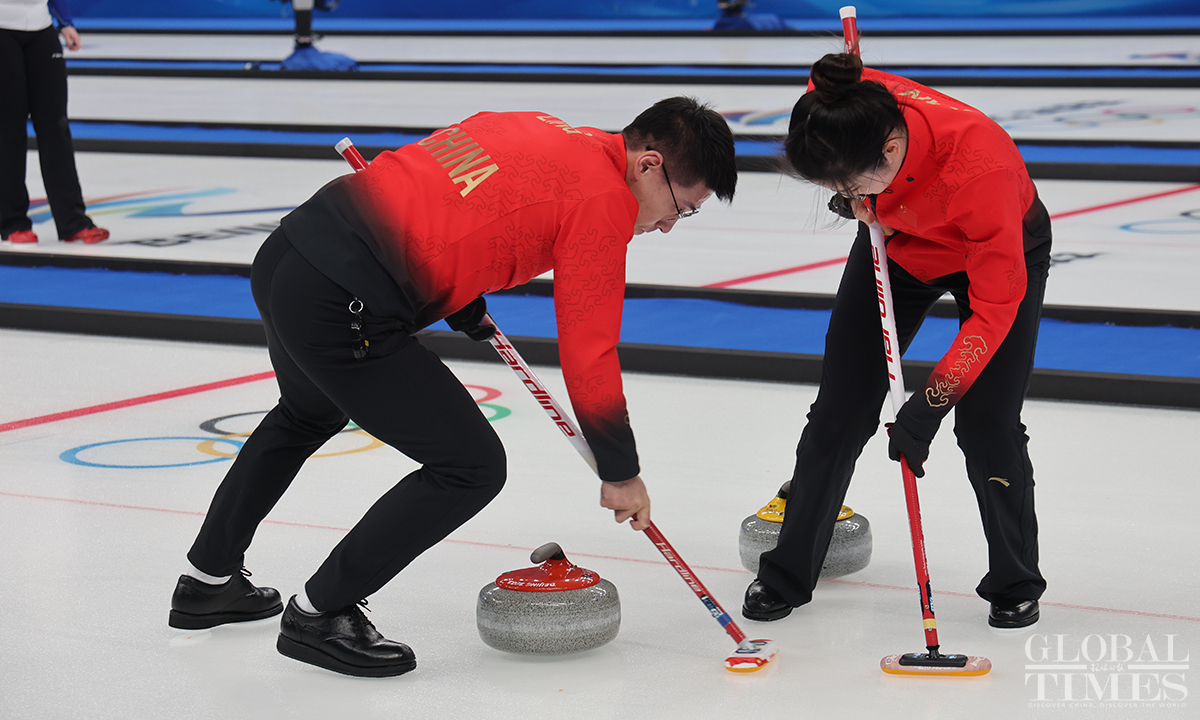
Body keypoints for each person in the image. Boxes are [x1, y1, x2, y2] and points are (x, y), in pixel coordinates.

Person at [168, 97, 738, 677]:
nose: (668, 224)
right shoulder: (604, 203)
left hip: (292, 255)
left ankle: (208, 581)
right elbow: (588, 350)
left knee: (304, 415)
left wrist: (456, 288)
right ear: (647, 166)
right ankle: (321, 613)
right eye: (681, 207)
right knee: (470, 466)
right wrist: (620, 470)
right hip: (346, 301)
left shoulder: (540, 126)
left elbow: (454, 195)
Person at [742, 53, 1051, 630]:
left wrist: (930, 403)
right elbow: (826, 76)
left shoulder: (981, 171)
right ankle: (786, 571)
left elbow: (992, 314)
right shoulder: (838, 106)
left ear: (888, 150)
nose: (844, 195)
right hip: (898, 244)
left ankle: (1016, 580)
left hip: (994, 255)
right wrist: (856, 199)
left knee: (988, 422)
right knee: (840, 411)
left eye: (851, 184)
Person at [0, 0, 108, 244]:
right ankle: (12, 222)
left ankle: (74, 222)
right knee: (9, 129)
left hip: (41, 27)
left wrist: (66, 22)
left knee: (55, 125)